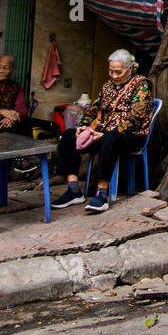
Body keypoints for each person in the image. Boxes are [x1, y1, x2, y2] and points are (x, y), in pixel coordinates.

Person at [51, 50, 154, 213]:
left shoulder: (141, 85)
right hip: (104, 135)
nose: (113, 75)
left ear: (129, 69)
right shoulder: (107, 86)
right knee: (69, 135)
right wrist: (83, 126)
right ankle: (73, 190)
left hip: (132, 136)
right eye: (111, 71)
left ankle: (101, 193)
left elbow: (136, 118)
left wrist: (107, 133)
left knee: (110, 138)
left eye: (118, 72)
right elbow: (93, 109)